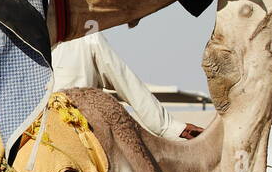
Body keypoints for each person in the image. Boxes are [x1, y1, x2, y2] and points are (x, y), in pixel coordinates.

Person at [51, 32, 200, 139]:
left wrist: (170, 127)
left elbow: (125, 80)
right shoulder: (29, 46)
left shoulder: (84, 38)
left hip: (79, 137)